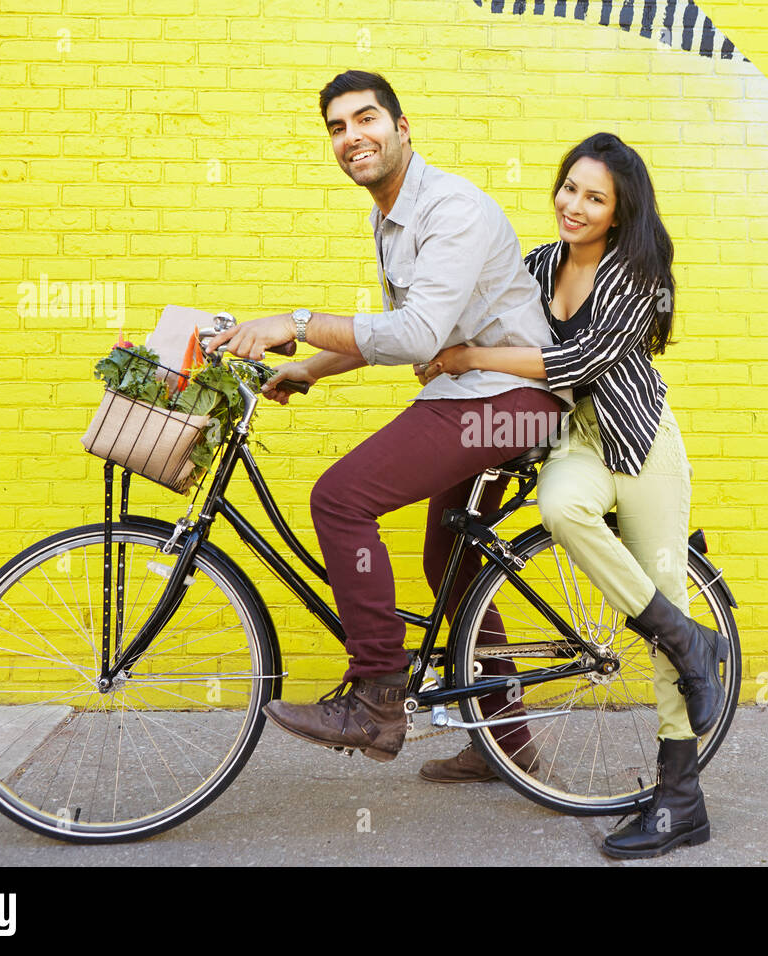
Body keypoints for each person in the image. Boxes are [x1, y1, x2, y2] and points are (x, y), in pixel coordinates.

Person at [206, 70, 567, 766]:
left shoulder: (450, 209)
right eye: (337, 127)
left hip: (509, 404)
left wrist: (300, 322)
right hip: (476, 396)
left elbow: (416, 337)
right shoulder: (392, 213)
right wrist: (309, 367)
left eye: (366, 119)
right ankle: (508, 747)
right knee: (449, 562)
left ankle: (376, 698)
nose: (352, 137)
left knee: (340, 498)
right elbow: (403, 327)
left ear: (403, 129)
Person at [419, 132, 728, 858]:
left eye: (595, 198)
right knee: (561, 509)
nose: (575, 206)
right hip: (579, 445)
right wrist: (429, 343)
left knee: (661, 596)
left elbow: (574, 358)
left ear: (618, 214)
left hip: (644, 444)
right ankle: (685, 638)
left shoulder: (638, 271)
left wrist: (469, 356)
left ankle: (681, 800)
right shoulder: (538, 264)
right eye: (570, 189)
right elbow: (488, 315)